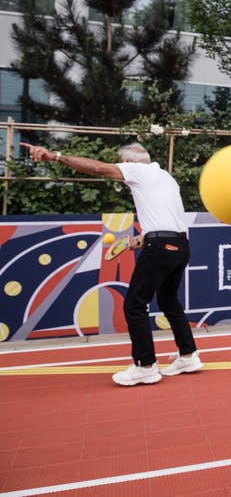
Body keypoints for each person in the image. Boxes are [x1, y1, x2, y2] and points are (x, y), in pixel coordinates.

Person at [21, 141, 201, 385]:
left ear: (127, 162)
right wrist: (143, 238)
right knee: (169, 301)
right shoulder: (166, 177)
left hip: (160, 247)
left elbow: (97, 169)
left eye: (120, 163)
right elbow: (169, 219)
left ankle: (145, 365)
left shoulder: (136, 170)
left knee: (135, 304)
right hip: (180, 246)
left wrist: (55, 156)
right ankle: (188, 355)